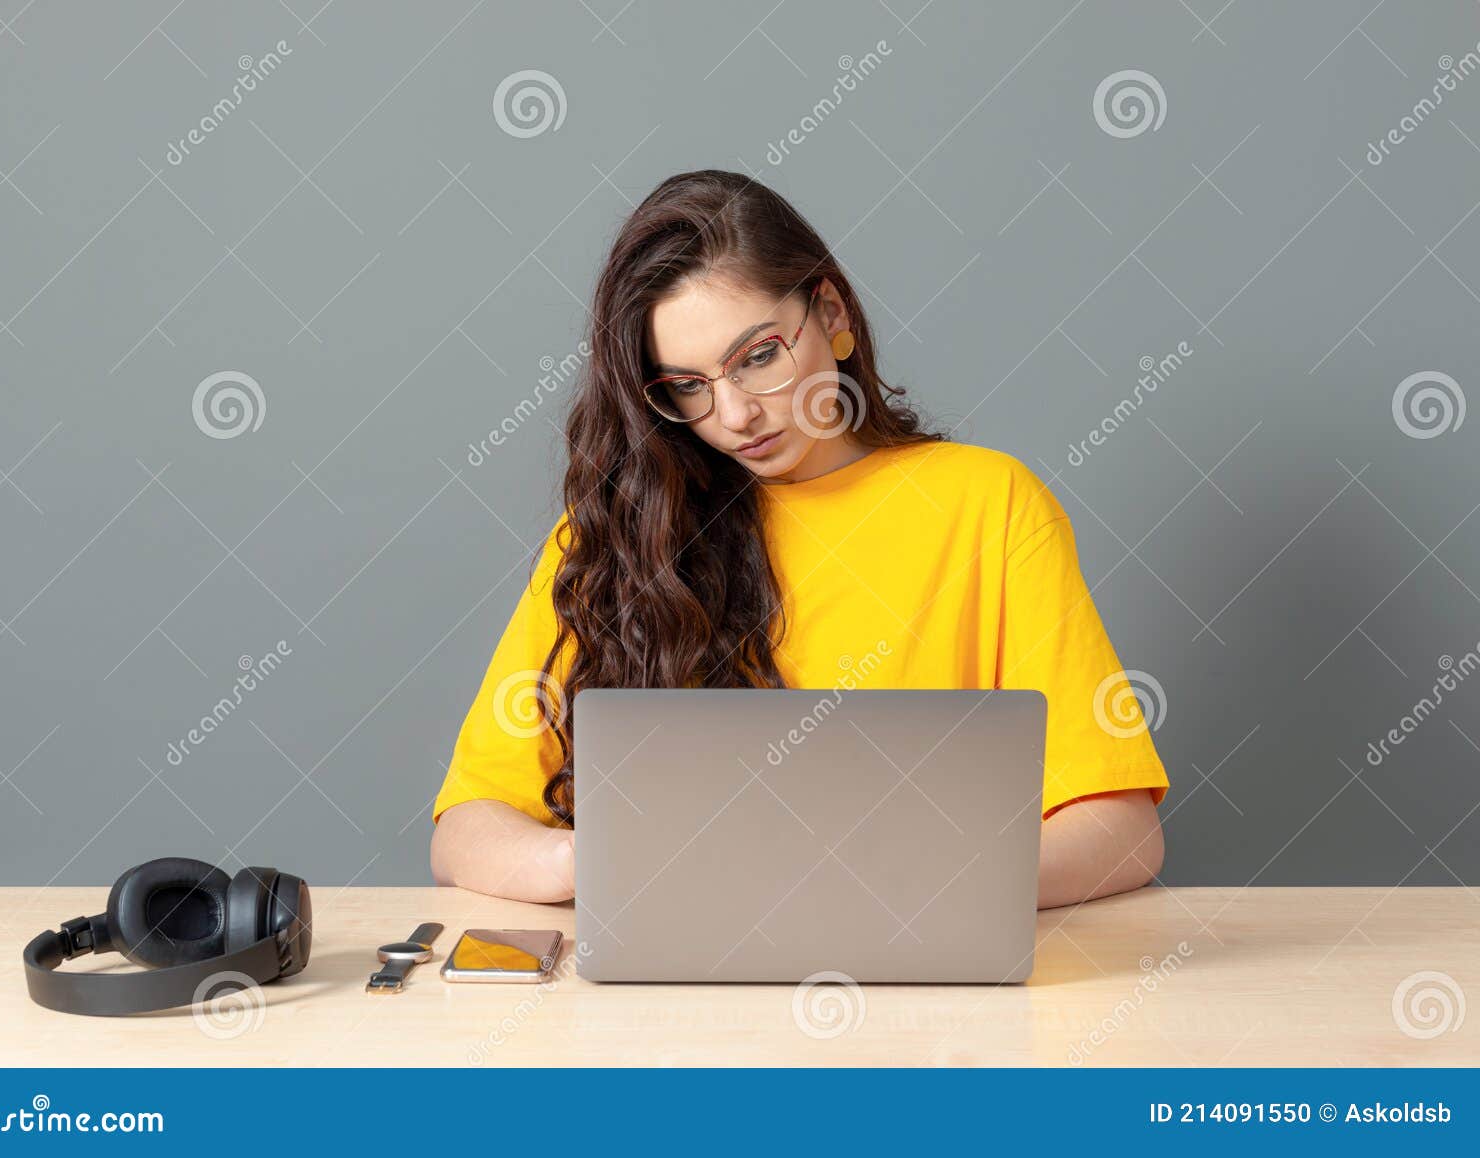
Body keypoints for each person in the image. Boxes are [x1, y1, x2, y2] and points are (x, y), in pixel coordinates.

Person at [430, 169, 1168, 909]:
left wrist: (922, 889)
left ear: (831, 312)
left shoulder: (988, 504)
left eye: (757, 357)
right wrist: (585, 863)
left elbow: (1122, 830)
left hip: (922, 984)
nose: (736, 415)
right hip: (668, 994)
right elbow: (467, 826)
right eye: (687, 386)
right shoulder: (615, 539)